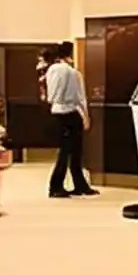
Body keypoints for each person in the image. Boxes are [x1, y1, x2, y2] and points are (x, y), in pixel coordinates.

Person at [46, 41, 98, 198]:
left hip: (56, 111)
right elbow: (80, 97)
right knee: (75, 151)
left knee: (64, 149)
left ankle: (68, 184)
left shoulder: (51, 70)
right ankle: (65, 185)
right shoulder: (73, 73)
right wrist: (85, 117)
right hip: (71, 112)